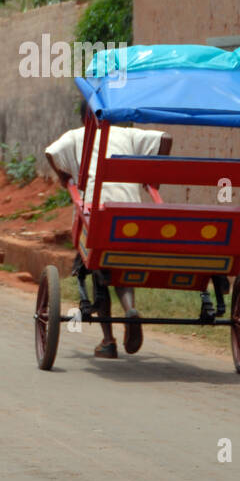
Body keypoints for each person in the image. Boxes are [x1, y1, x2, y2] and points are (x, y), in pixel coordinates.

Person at [45, 104, 171, 357]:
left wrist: (62, 176)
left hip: (96, 217)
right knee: (122, 267)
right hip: (130, 218)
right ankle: (130, 310)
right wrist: (153, 172)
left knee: (98, 272)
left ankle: (108, 341)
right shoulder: (126, 134)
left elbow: (51, 152)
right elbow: (165, 139)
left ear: (84, 118)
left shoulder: (77, 135)